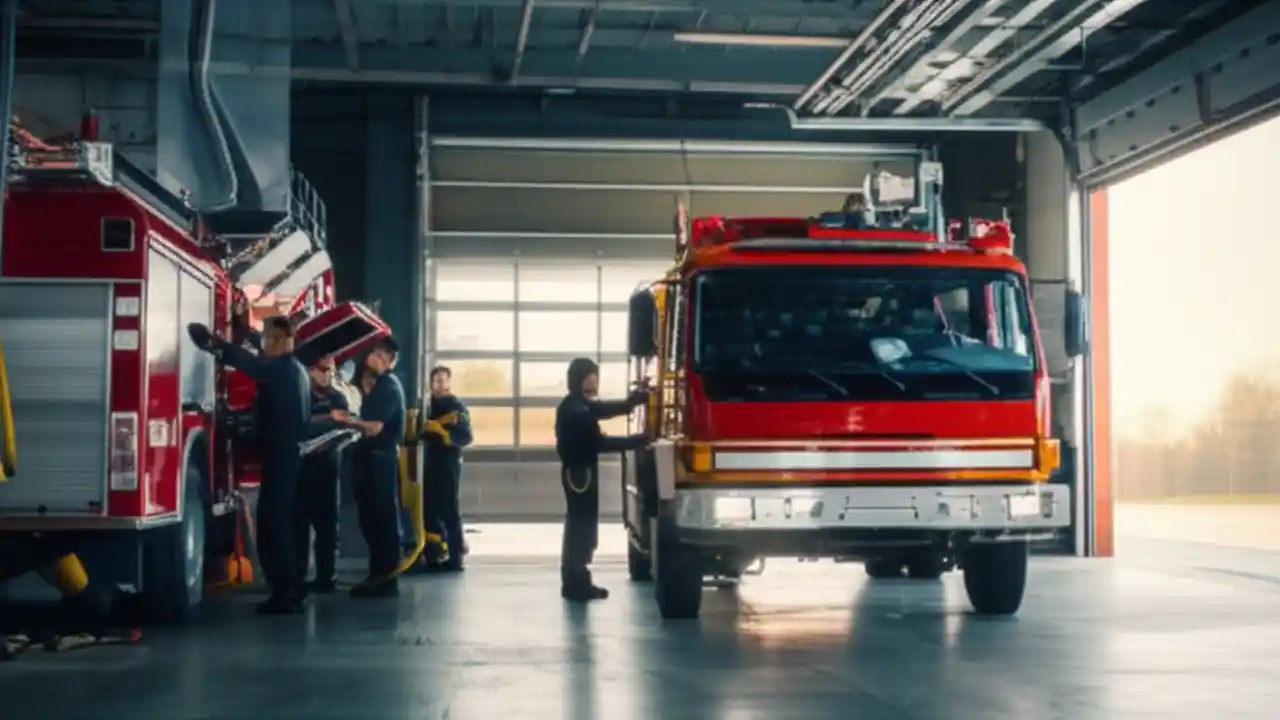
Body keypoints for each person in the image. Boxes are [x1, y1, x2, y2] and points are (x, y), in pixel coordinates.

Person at [187, 317, 312, 614]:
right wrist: (247, 330)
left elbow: (253, 365)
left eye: (270, 340)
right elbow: (258, 358)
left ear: (281, 341)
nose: (265, 345)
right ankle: (292, 588)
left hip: (280, 459)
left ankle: (283, 594)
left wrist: (216, 346)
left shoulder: (281, 368)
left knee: (274, 525)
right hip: (288, 457)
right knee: (284, 524)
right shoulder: (296, 369)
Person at [554, 358, 649, 602]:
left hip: (578, 472)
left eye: (595, 376)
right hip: (580, 473)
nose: (594, 381)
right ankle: (577, 584)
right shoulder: (576, 411)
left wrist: (630, 403)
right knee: (582, 530)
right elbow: (599, 442)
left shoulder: (574, 404)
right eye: (589, 376)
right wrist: (635, 441)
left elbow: (601, 409)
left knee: (580, 527)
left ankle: (576, 581)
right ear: (578, 379)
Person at [348, 337, 406, 598]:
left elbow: (374, 426)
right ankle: (378, 574)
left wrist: (345, 420)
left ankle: (384, 577)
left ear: (385, 357)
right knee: (372, 519)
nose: (368, 358)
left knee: (381, 518)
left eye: (373, 353)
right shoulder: (380, 386)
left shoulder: (388, 386)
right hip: (372, 458)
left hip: (380, 459)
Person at [295, 355, 348, 594]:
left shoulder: (337, 397)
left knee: (327, 526)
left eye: (330, 370)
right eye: (322, 369)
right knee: (299, 524)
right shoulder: (301, 395)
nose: (327, 375)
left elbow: (344, 426)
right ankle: (298, 574)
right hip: (303, 468)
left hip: (328, 467)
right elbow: (299, 426)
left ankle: (327, 577)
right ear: (310, 369)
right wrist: (327, 419)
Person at [420, 365, 473, 573]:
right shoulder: (427, 405)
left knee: (449, 506)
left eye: (442, 380)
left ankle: (456, 555)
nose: (438, 384)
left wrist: (442, 431)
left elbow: (466, 435)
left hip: (448, 461)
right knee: (429, 506)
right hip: (429, 461)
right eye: (435, 380)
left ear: (449, 382)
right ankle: (434, 553)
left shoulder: (456, 406)